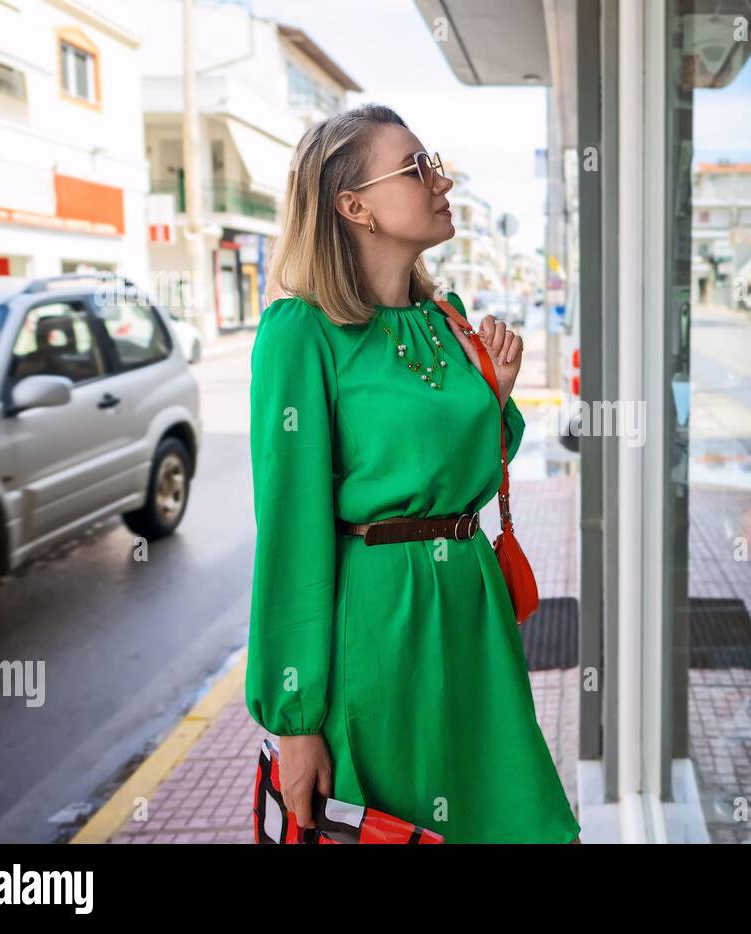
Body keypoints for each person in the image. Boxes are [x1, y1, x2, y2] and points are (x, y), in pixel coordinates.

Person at [246, 103, 581, 843]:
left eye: (436, 165)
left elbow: (479, 469)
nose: (441, 181)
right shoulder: (301, 332)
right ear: (352, 205)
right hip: (379, 620)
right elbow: (289, 531)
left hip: (470, 609)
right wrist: (294, 720)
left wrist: (495, 398)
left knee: (510, 818)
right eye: (417, 167)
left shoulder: (449, 318)